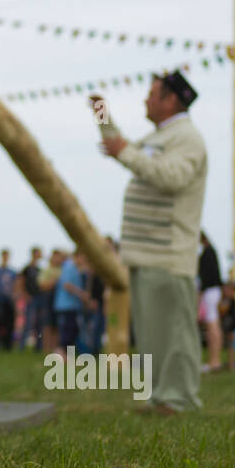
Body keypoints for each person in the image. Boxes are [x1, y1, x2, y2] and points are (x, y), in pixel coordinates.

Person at [91, 71, 208, 415]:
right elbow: (124, 148)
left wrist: (125, 151)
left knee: (175, 335)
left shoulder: (187, 138)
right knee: (154, 335)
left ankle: (180, 399)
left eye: (152, 93)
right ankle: (160, 397)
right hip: (148, 253)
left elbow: (172, 177)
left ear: (170, 99)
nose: (146, 99)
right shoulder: (165, 136)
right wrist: (101, 116)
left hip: (169, 253)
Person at [52, 250, 90, 354]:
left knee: (73, 329)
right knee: (67, 331)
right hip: (66, 306)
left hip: (72, 306)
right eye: (83, 257)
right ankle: (60, 353)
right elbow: (66, 285)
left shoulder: (74, 268)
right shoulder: (69, 267)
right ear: (77, 256)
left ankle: (65, 353)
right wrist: (82, 294)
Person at [197, 231, 223, 373]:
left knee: (212, 326)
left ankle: (214, 361)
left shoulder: (207, 253)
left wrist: (199, 296)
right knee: (214, 326)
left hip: (210, 292)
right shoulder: (211, 251)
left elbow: (205, 278)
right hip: (214, 291)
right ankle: (215, 360)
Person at [20, 247, 45, 350]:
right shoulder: (27, 268)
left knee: (39, 323)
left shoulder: (40, 269)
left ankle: (38, 347)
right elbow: (21, 281)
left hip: (40, 298)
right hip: (31, 298)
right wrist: (25, 295)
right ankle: (22, 346)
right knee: (29, 322)